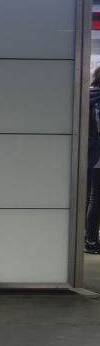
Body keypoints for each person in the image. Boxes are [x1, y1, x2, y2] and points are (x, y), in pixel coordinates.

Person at [85, 66, 100, 254]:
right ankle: (91, 240)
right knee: (96, 198)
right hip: (97, 154)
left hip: (86, 153)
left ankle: (87, 236)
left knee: (88, 197)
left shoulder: (86, 95)